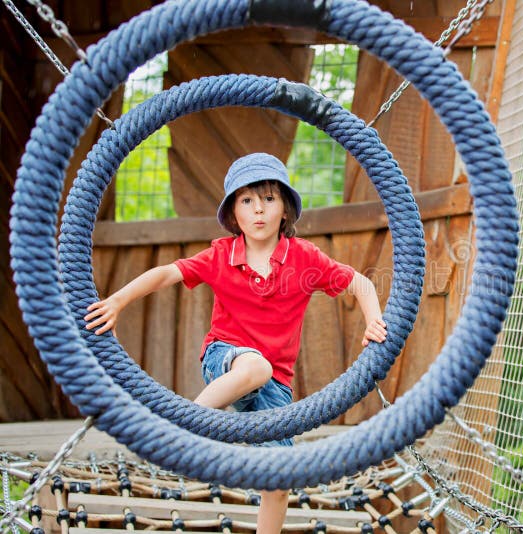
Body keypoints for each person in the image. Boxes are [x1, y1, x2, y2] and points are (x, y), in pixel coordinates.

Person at [84, 153, 387, 534]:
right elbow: (167, 274)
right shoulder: (221, 256)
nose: (258, 210)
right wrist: (117, 301)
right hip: (223, 358)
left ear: (286, 210)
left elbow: (359, 282)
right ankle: (184, 428)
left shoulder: (304, 258)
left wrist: (374, 319)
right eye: (247, 200)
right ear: (233, 214)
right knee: (254, 366)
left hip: (274, 384)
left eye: (269, 199)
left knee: (279, 479)